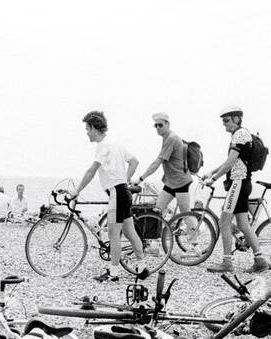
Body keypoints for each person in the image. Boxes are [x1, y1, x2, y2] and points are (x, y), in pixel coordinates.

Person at [69, 110, 144, 277]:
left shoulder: (103, 147)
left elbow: (91, 171)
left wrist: (77, 190)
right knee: (130, 232)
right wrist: (125, 179)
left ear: (94, 128)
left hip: (116, 193)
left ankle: (113, 272)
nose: (87, 133)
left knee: (113, 234)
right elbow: (134, 161)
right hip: (123, 191)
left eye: (87, 129)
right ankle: (142, 266)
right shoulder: (116, 144)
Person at [199, 105, 267, 273]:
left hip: (238, 183)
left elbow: (230, 163)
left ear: (237, 119)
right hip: (242, 183)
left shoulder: (240, 134)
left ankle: (227, 262)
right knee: (243, 224)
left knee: (224, 222)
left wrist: (214, 179)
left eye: (227, 120)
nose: (224, 124)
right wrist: (212, 172)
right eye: (223, 121)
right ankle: (260, 261)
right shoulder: (240, 134)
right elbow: (230, 162)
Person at [137, 112, 191, 221]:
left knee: (185, 214)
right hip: (171, 182)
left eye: (160, 125)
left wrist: (140, 179)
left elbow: (157, 162)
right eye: (155, 125)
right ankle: (164, 232)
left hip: (180, 181)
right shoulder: (166, 138)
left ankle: (194, 236)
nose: (158, 128)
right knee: (158, 208)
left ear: (168, 124)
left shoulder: (171, 138)